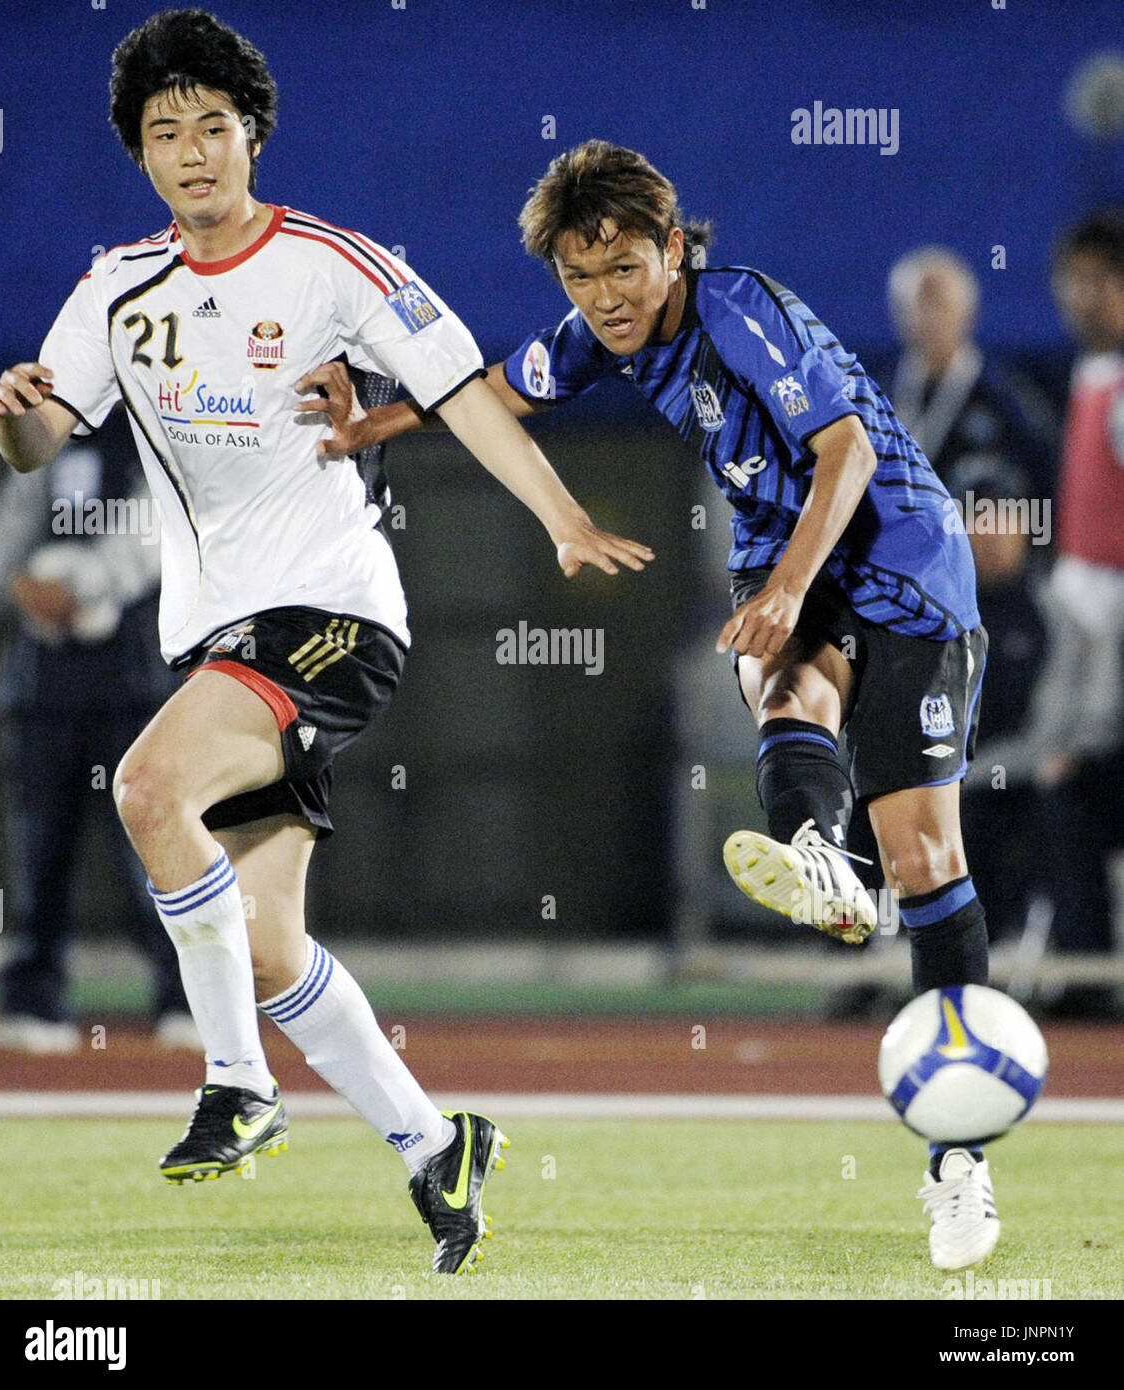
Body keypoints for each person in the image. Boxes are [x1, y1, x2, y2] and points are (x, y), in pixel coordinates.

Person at [0, 12, 651, 1275]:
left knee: (145, 785)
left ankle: (235, 1080)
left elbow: (463, 388)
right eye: (164, 132)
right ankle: (429, 1140)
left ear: (252, 135)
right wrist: (15, 413)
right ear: (139, 153)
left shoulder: (338, 265)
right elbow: (44, 437)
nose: (192, 152)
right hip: (220, 638)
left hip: (334, 614)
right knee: (272, 943)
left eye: (213, 126)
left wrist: (563, 516)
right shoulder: (116, 288)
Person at [327, 140, 1004, 1273]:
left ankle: (960, 1161)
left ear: (674, 248)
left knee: (928, 860)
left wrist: (791, 581)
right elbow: (496, 394)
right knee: (776, 675)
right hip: (785, 563)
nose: (604, 297)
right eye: (579, 278)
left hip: (905, 561)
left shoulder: (739, 307)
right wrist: (374, 423)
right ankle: (816, 850)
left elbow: (840, 452)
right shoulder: (600, 334)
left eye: (623, 267)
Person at [0, 422, 198, 1052]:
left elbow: (155, 539)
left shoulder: (155, 442)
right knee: (38, 849)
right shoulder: (40, 452)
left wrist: (77, 586)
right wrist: (18, 583)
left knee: (151, 850)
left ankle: (183, 998)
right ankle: (35, 1002)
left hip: (131, 682)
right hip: (43, 687)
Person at [887, 246, 1057, 501]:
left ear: (968, 311)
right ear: (897, 315)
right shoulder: (878, 394)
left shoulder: (1007, 395)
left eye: (940, 304)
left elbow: (1045, 472)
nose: (930, 317)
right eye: (919, 304)